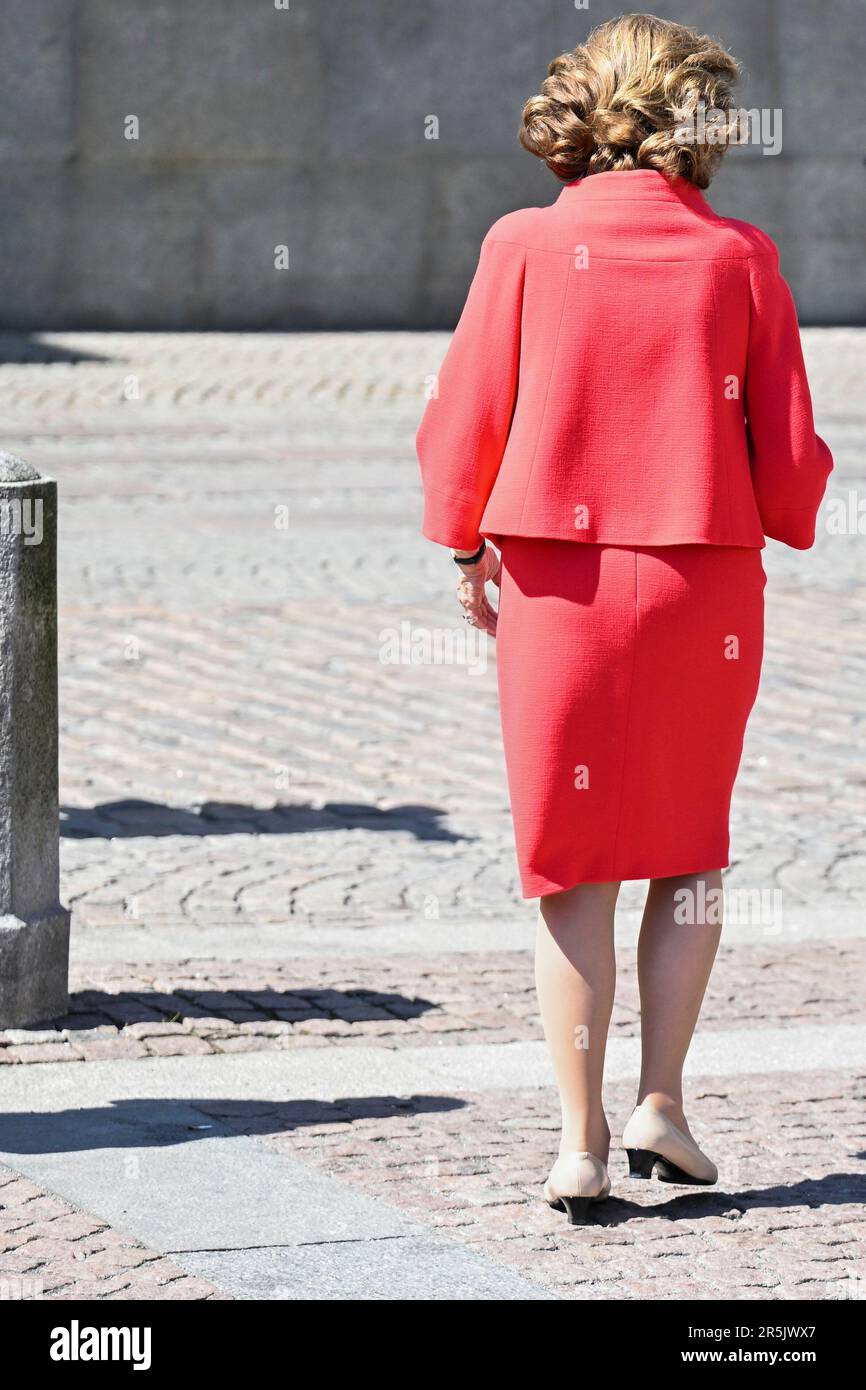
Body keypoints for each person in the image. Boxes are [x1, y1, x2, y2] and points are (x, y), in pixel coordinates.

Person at [416, 14, 832, 1224]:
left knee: (570, 864)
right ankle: (661, 1103)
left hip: (559, 587)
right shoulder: (739, 257)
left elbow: (463, 414)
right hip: (701, 585)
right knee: (689, 852)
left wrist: (459, 539)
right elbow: (790, 463)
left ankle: (577, 1141)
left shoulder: (524, 244)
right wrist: (781, 499)